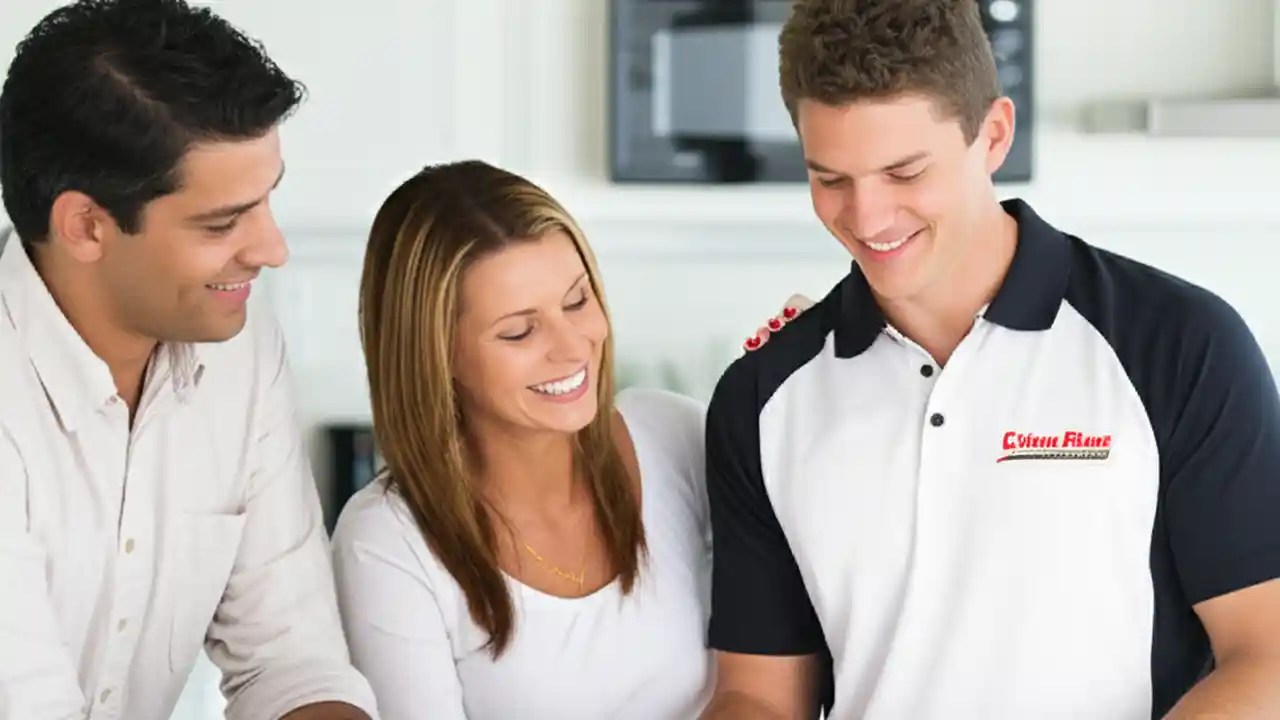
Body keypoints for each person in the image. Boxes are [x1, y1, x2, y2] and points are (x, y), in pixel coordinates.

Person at [700, 1, 1280, 719]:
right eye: (831, 179)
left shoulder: (1179, 344)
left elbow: (1266, 657)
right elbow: (758, 694)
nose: (868, 218)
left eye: (905, 173)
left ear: (994, 133)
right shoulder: (762, 396)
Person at [0, 1, 377, 718]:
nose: (271, 249)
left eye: (266, 202)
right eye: (222, 222)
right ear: (86, 226)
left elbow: (292, 661)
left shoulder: (238, 344)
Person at [330, 159, 809, 719]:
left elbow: (816, 589)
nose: (572, 346)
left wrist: (800, 410)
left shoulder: (670, 437)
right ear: (436, 354)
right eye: (518, 330)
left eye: (578, 300)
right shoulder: (387, 542)